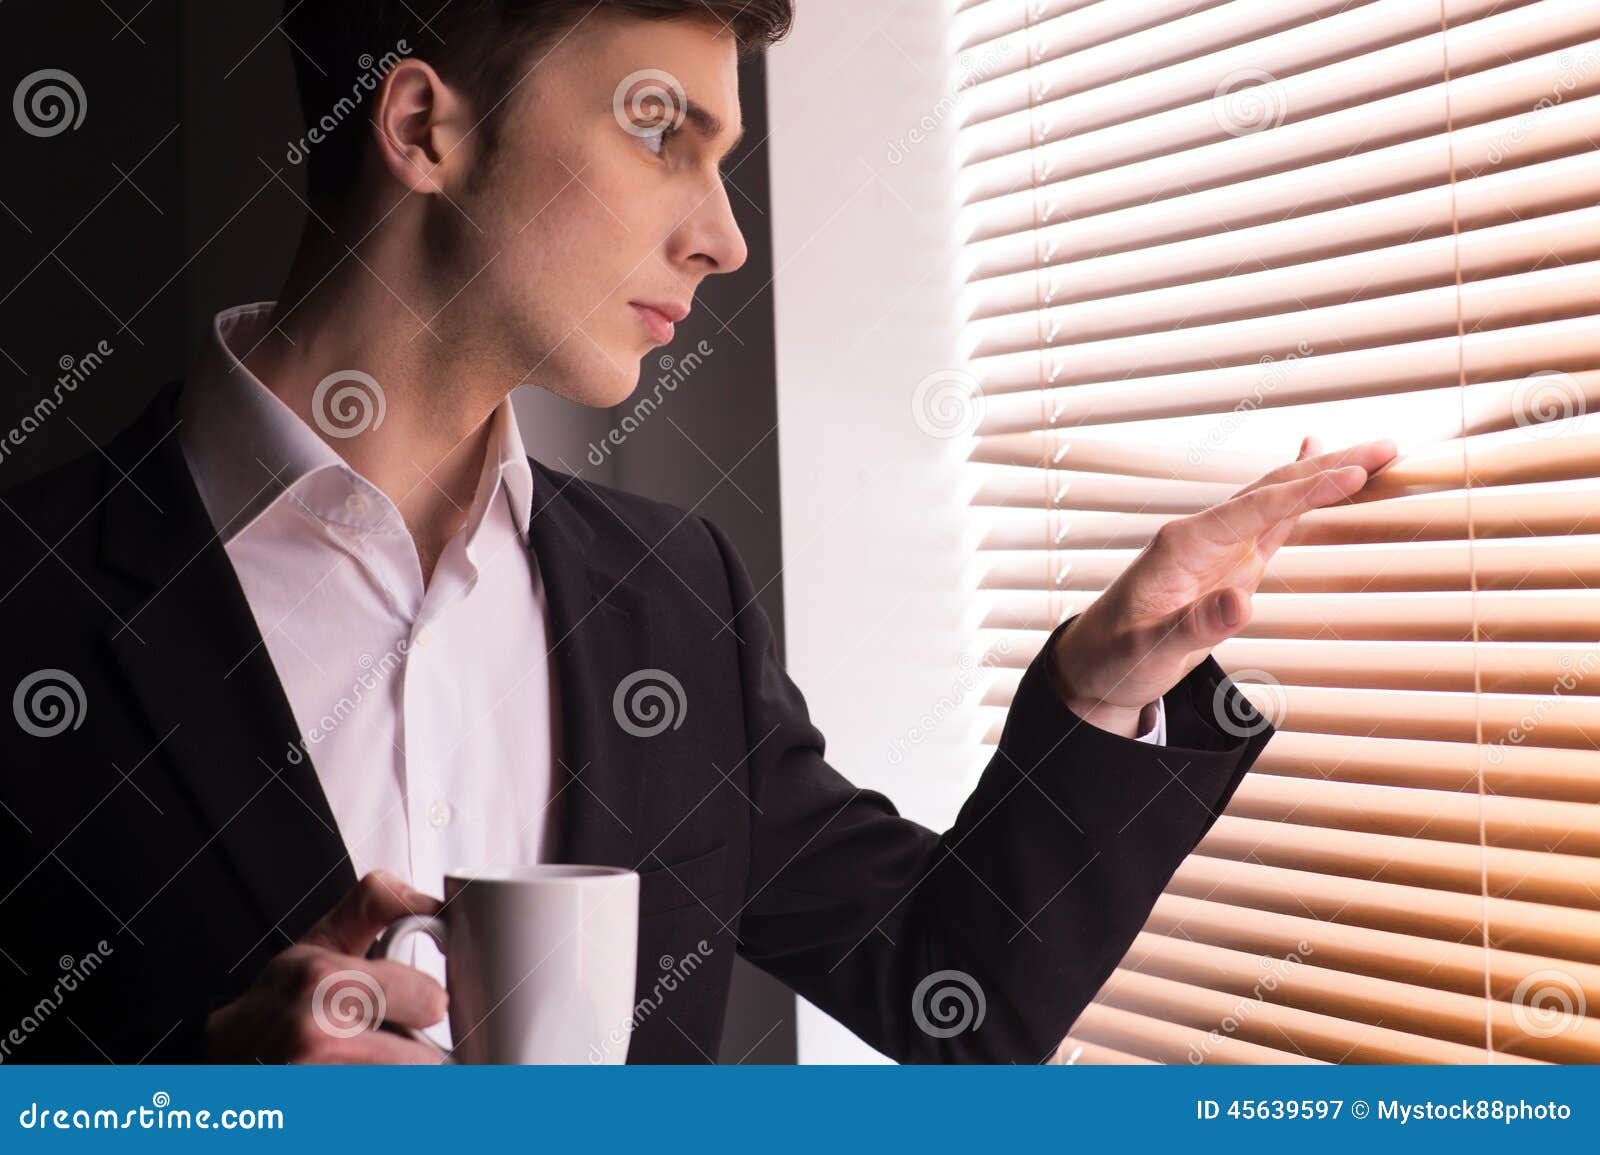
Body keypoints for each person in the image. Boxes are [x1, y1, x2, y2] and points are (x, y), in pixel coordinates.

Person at [0, 0, 1396, 1063]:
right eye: (663, 133)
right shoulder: (32, 598)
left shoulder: (673, 595)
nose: (725, 237)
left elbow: (949, 991)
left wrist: (1103, 692)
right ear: (425, 128)